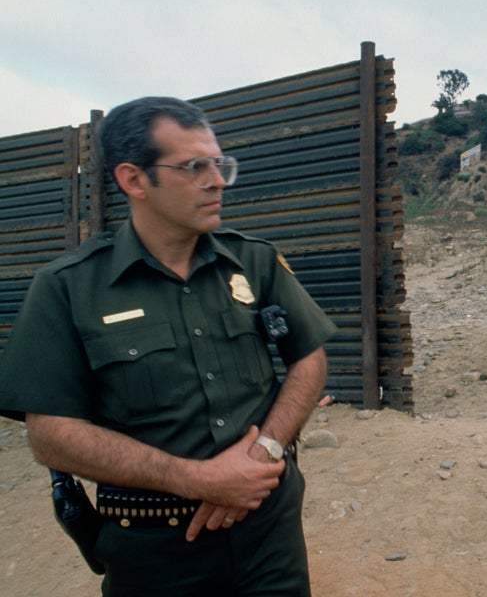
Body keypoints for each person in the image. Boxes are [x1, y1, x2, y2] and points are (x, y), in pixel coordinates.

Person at [0, 97, 338, 595]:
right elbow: (50, 435)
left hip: (270, 536)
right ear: (134, 180)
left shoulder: (255, 263)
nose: (217, 180)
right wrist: (198, 481)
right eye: (194, 167)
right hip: (153, 553)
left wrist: (265, 451)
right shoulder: (67, 288)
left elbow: (308, 359)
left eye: (220, 165)